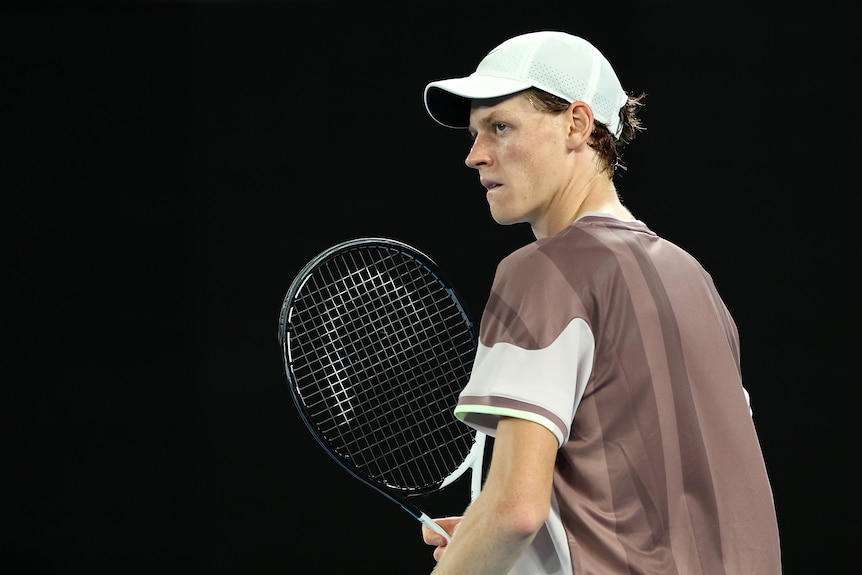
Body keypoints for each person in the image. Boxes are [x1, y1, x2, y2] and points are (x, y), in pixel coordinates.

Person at [419, 30, 781, 574]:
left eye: (500, 127)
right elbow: (667, 499)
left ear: (577, 125)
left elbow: (514, 512)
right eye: (474, 134)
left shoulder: (539, 272)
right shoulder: (695, 280)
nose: (475, 155)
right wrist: (513, 547)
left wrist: (483, 546)